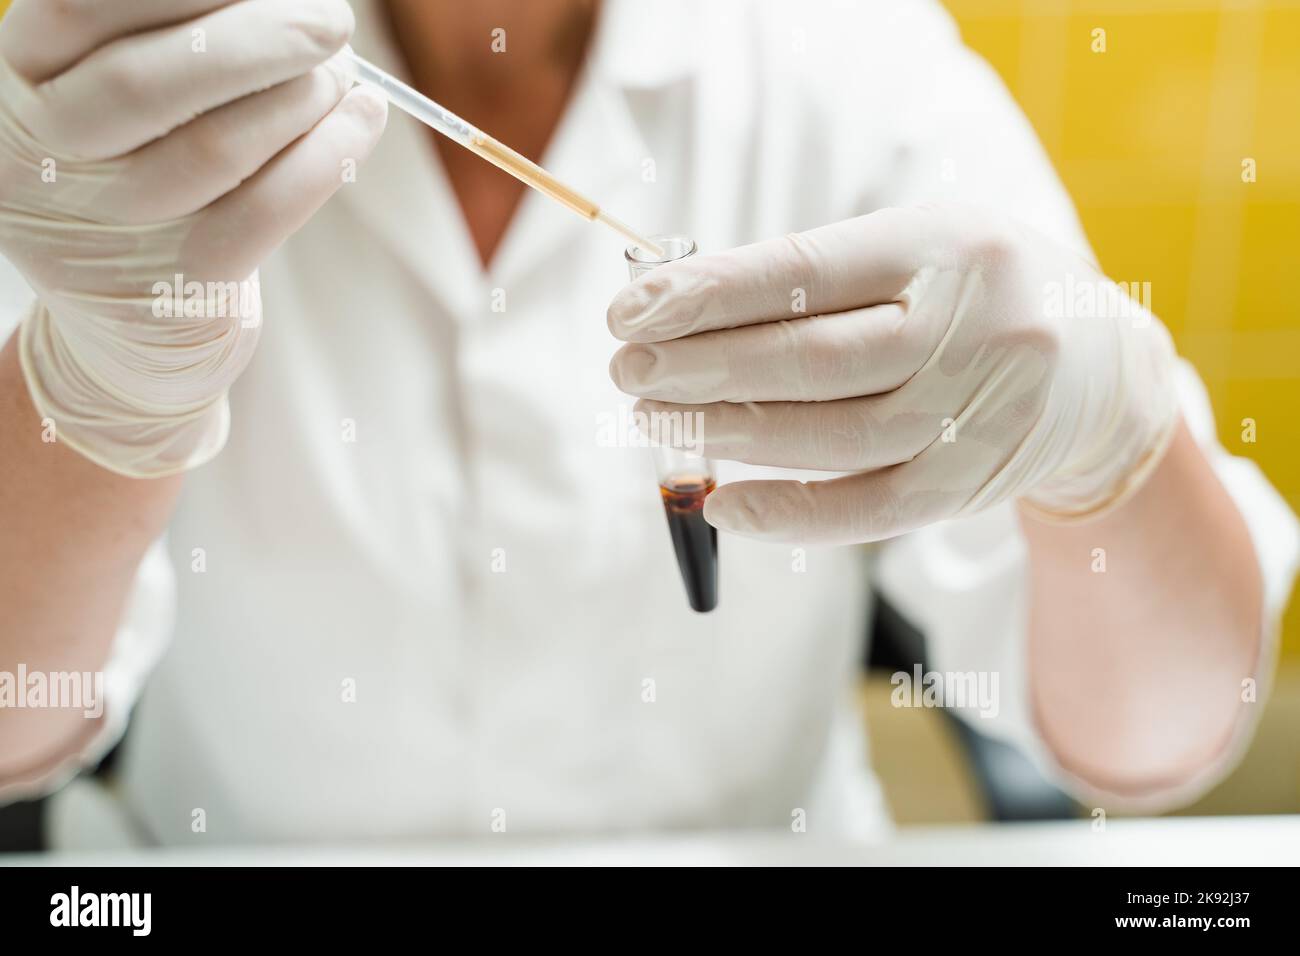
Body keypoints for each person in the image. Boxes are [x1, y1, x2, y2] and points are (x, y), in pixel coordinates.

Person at [0, 0, 1296, 845]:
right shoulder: (143, 94)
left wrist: (1104, 447)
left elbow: (1169, 732)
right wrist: (102, 389)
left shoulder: (847, 60)